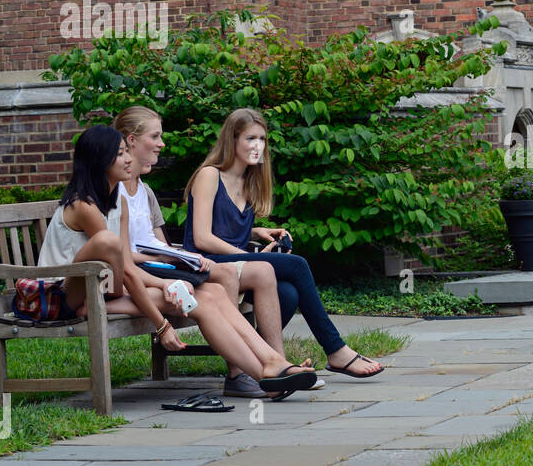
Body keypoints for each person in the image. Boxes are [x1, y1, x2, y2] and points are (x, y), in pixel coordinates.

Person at [38, 125, 317, 396]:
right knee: (110, 244)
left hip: (106, 290)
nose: (128, 159)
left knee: (212, 294)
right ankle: (268, 369)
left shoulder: (117, 202)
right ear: (100, 159)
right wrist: (162, 322)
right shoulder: (83, 205)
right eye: (121, 153)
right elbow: (127, 271)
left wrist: (166, 284)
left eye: (126, 152)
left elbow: (127, 270)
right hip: (63, 296)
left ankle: (270, 367)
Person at [182, 108, 384, 378]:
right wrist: (245, 254)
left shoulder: (249, 180)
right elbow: (202, 237)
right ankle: (336, 351)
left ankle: (271, 364)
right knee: (297, 265)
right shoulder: (210, 175)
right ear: (232, 140)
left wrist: (256, 231)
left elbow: (223, 223)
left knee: (288, 293)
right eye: (250, 139)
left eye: (263, 139)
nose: (258, 146)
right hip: (207, 264)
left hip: (235, 261)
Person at [113, 106, 293, 399]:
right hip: (132, 280)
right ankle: (251, 372)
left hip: (157, 272)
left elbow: (159, 244)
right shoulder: (111, 193)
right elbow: (120, 257)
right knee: (224, 281)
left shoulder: (144, 190)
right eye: (155, 136)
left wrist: (180, 257)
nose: (162, 143)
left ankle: (267, 367)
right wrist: (168, 271)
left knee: (225, 285)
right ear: (131, 141)